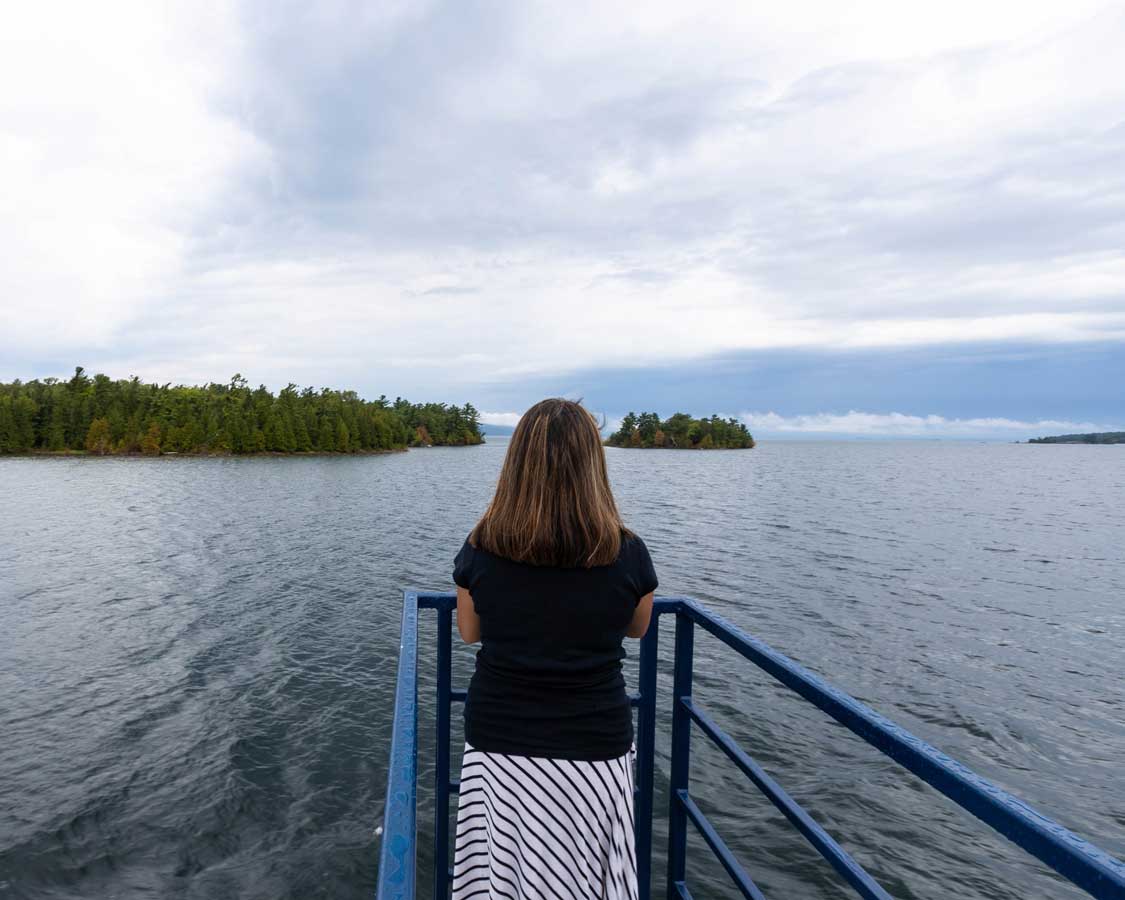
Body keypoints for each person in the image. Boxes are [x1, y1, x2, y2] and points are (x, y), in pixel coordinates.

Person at [450, 398, 658, 900]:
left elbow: (469, 632)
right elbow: (638, 629)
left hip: (499, 742)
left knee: (501, 877)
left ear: (517, 463)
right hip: (594, 748)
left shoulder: (482, 546)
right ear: (593, 465)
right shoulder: (626, 551)